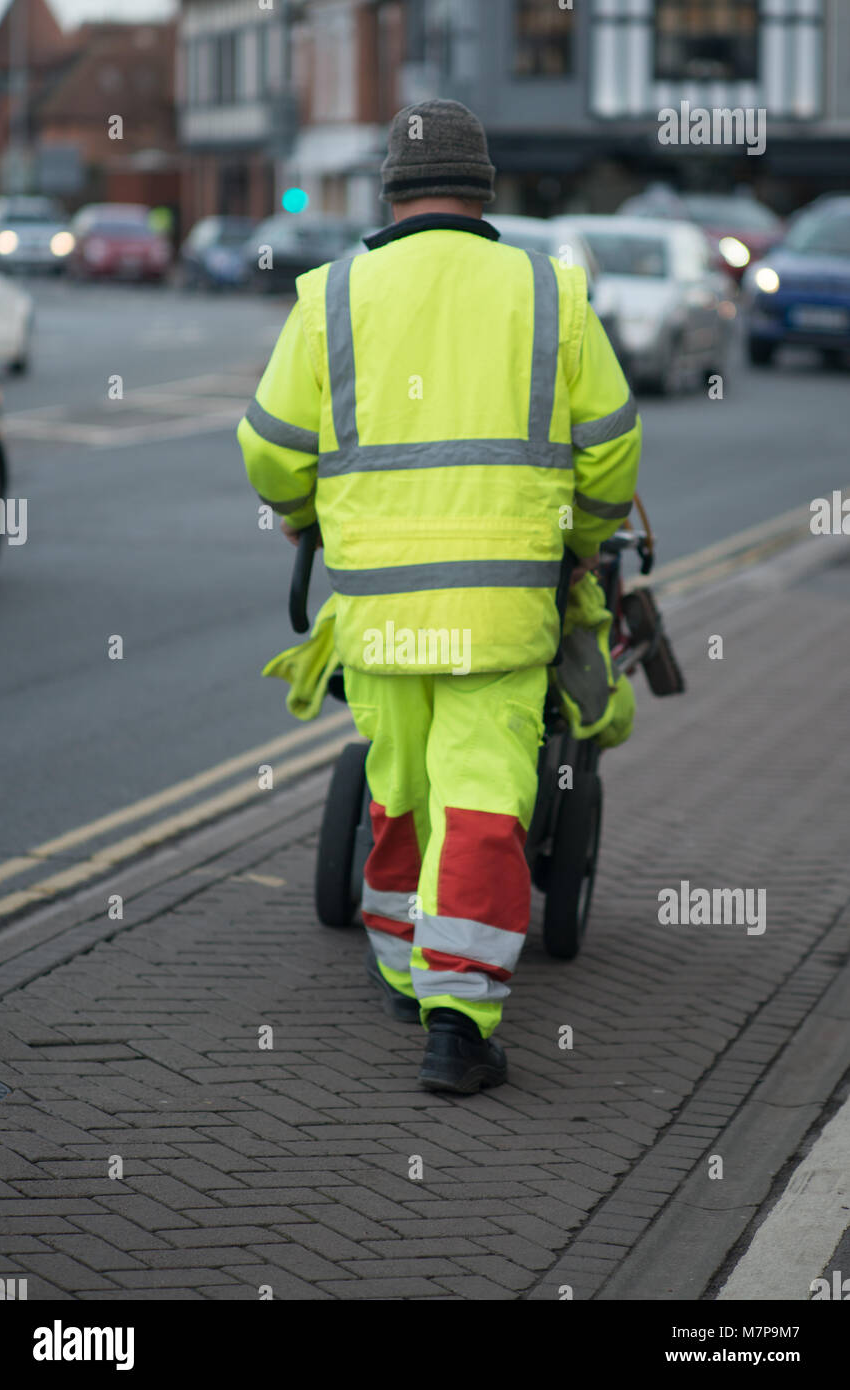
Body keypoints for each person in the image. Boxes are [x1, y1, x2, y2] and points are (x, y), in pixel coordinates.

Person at [238, 100, 641, 1094]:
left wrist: (301, 514)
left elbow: (271, 447)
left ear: (391, 190)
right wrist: (586, 545)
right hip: (504, 615)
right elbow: (612, 448)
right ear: (486, 188)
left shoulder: (329, 294)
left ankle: (403, 969)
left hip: (377, 610)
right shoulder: (551, 291)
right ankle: (457, 1023)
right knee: (483, 803)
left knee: (398, 787)